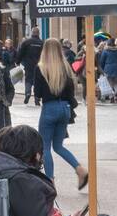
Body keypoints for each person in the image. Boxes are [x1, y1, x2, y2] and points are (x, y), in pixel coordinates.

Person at [33, 37, 87, 188]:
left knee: (45, 147)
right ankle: (80, 169)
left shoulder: (41, 67)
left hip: (49, 108)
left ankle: (50, 181)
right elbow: (72, 91)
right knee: (58, 146)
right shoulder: (66, 66)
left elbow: (37, 93)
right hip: (65, 108)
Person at [15, 28, 45, 105]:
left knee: (28, 79)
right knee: (37, 81)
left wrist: (17, 62)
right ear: (38, 33)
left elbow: (20, 53)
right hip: (39, 65)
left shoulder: (26, 42)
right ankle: (37, 98)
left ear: (32, 33)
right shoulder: (42, 43)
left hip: (28, 65)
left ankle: (28, 93)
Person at [100, 37, 117, 103]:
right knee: (116, 83)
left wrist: (102, 69)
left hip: (108, 68)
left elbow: (102, 61)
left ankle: (111, 97)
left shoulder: (105, 51)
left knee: (110, 83)